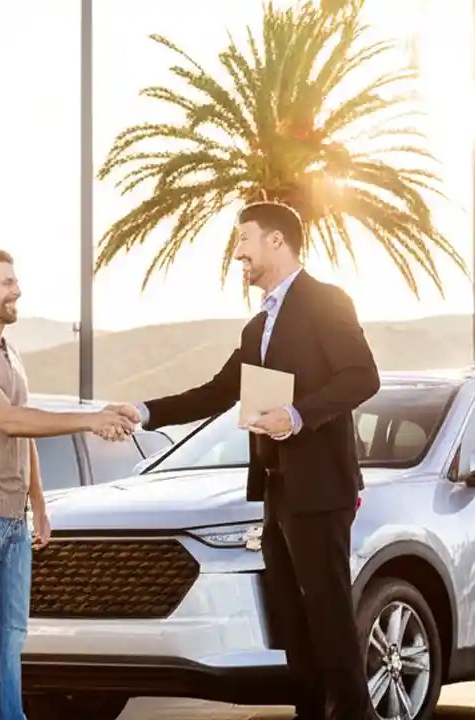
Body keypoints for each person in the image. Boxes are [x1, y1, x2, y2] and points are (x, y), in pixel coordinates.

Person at [115, 202, 381, 720]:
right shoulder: (258, 326)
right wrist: (144, 411)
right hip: (276, 490)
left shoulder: (327, 302)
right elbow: (218, 392)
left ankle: (355, 714)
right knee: (292, 616)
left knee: (327, 611)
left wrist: (298, 416)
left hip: (321, 488)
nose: (238, 252)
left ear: (277, 242)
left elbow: (362, 377)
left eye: (245, 239)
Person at [0, 248, 134, 720]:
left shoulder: (9, 352)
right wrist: (90, 419)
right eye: (6, 282)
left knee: (9, 635)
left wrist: (38, 504)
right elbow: (11, 419)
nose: (16, 289)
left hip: (12, 519)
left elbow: (24, 435)